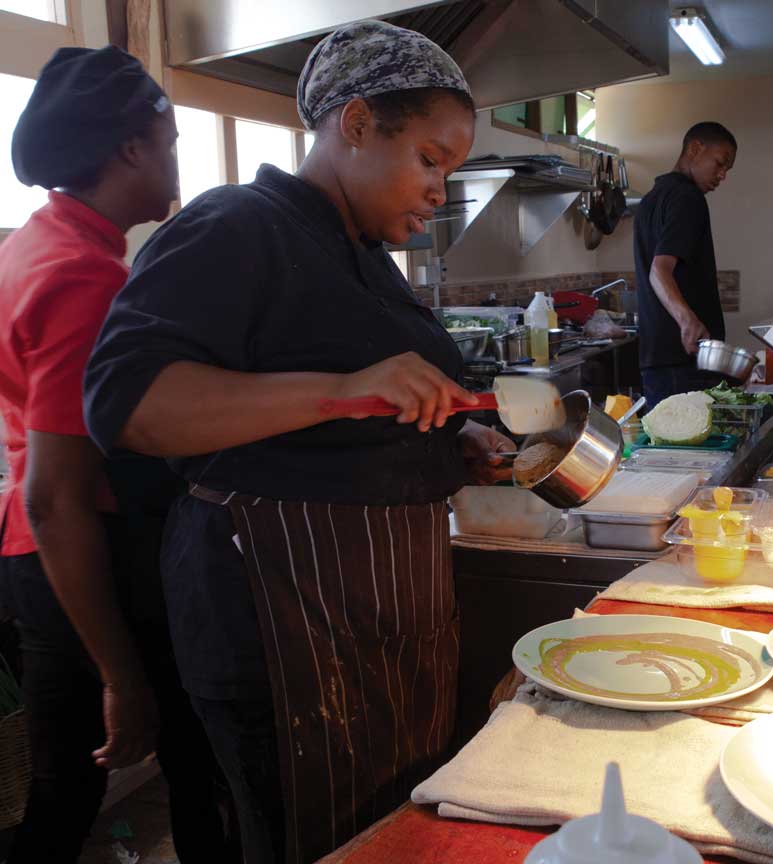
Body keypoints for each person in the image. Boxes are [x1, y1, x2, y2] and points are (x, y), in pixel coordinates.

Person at [83, 22, 514, 864]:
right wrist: (348, 390)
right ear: (355, 123)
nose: (438, 190)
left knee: (386, 829)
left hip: (381, 610)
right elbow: (128, 403)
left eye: (449, 171)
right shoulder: (239, 225)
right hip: (282, 615)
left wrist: (441, 438)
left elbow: (340, 421)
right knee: (308, 838)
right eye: (429, 159)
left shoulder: (360, 255)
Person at [0, 46, 236, 862]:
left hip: (46, 562)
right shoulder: (81, 277)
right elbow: (56, 496)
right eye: (170, 139)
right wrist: (121, 675)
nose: (177, 157)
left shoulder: (41, 241)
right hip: (82, 563)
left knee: (66, 794)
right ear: (131, 148)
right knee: (147, 780)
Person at [632, 121, 737, 408]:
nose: (722, 175)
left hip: (658, 363)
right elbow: (659, 270)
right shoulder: (688, 198)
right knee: (691, 452)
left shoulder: (651, 199)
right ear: (695, 148)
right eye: (720, 163)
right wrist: (687, 321)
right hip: (684, 362)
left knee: (667, 451)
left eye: (727, 169)